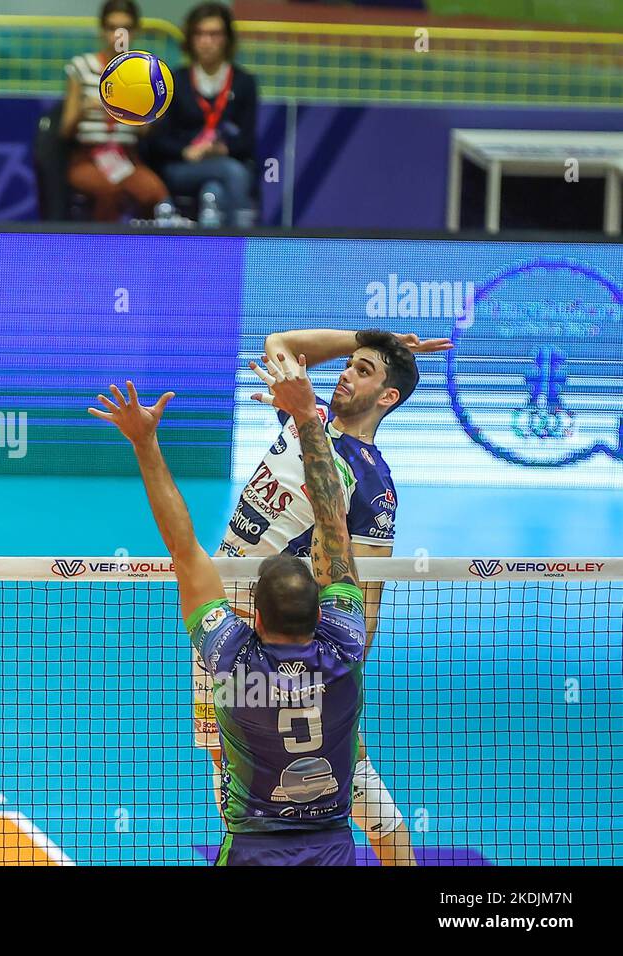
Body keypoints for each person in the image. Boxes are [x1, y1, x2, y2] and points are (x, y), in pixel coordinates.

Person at [90, 364, 366, 866]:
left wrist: (145, 444)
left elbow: (184, 548)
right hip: (332, 848)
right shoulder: (347, 648)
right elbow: (333, 525)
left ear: (254, 617)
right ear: (325, 610)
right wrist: (307, 414)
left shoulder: (231, 658)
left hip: (253, 850)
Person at [209, 327, 451, 865]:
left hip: (278, 645)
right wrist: (371, 339)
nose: (346, 372)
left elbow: (362, 594)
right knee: (238, 788)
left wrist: (333, 680)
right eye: (348, 364)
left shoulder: (371, 483)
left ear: (388, 398)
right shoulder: (306, 418)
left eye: (364, 371)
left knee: (376, 819)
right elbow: (280, 345)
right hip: (222, 630)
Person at [146, 2, 258, 227]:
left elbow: (247, 140)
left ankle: (212, 251)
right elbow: (158, 139)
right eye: (200, 34)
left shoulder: (244, 82)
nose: (207, 42)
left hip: (223, 160)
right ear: (190, 38)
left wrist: (220, 149)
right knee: (233, 173)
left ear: (227, 38)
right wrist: (187, 151)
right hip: (181, 167)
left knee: (214, 190)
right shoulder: (174, 81)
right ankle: (245, 241)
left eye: (214, 34)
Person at [59, 0, 171, 223]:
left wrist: (141, 111)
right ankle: (105, 253)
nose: (119, 35)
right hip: (87, 157)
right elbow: (65, 130)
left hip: (125, 156)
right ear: (102, 31)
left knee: (154, 192)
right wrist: (85, 108)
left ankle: (146, 251)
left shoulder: (145, 72)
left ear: (136, 31)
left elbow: (145, 133)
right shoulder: (82, 67)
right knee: (108, 190)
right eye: (112, 28)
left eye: (126, 28)